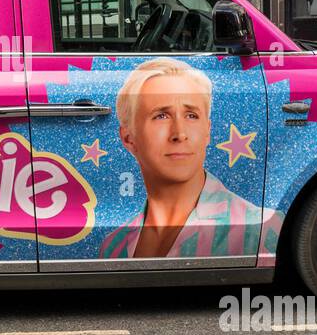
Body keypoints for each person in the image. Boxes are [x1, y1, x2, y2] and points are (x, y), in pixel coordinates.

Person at [99, 58, 281, 260]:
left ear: (207, 132)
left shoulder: (262, 227)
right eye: (161, 116)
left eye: (191, 115)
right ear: (128, 138)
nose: (180, 133)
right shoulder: (114, 246)